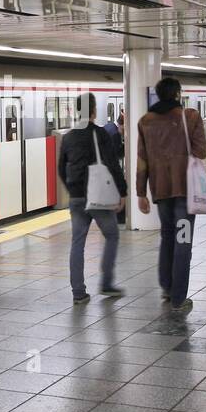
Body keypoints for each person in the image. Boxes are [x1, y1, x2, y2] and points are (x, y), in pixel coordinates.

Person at [136, 77, 206, 315]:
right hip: (185, 192)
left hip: (160, 192)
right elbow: (202, 149)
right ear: (178, 94)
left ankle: (167, 288)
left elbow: (141, 160)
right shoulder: (189, 117)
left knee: (167, 237)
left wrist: (140, 193)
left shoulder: (145, 121)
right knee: (183, 241)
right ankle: (179, 297)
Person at [57, 93, 128, 305]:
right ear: (94, 110)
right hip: (97, 196)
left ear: (77, 111)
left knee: (77, 243)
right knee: (112, 235)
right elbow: (113, 165)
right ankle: (106, 283)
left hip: (77, 196)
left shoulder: (68, 136)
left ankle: (78, 292)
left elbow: (61, 167)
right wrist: (122, 192)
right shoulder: (100, 134)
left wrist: (71, 188)